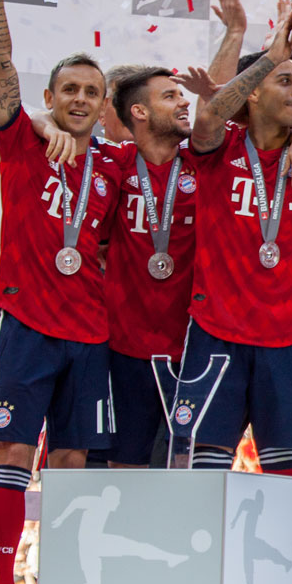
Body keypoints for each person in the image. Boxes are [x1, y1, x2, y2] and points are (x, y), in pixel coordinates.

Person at [0, 0, 118, 584]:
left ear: (104, 104)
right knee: (14, 453)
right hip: (27, 320)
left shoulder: (115, 169)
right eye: (70, 90)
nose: (81, 100)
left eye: (91, 92)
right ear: (50, 98)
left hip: (89, 332)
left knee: (71, 462)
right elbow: (0, 68)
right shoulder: (23, 145)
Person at [174, 0, 292, 476]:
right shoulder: (221, 149)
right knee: (205, 472)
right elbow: (209, 115)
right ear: (253, 91)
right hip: (215, 334)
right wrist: (270, 52)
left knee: (286, 475)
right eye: (285, 81)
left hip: (287, 338)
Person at [98, 67, 201, 470]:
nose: (184, 101)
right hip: (125, 346)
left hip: (193, 348)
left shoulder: (205, 163)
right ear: (139, 112)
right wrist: (43, 121)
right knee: (126, 471)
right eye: (170, 96)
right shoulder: (112, 163)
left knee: (187, 471)